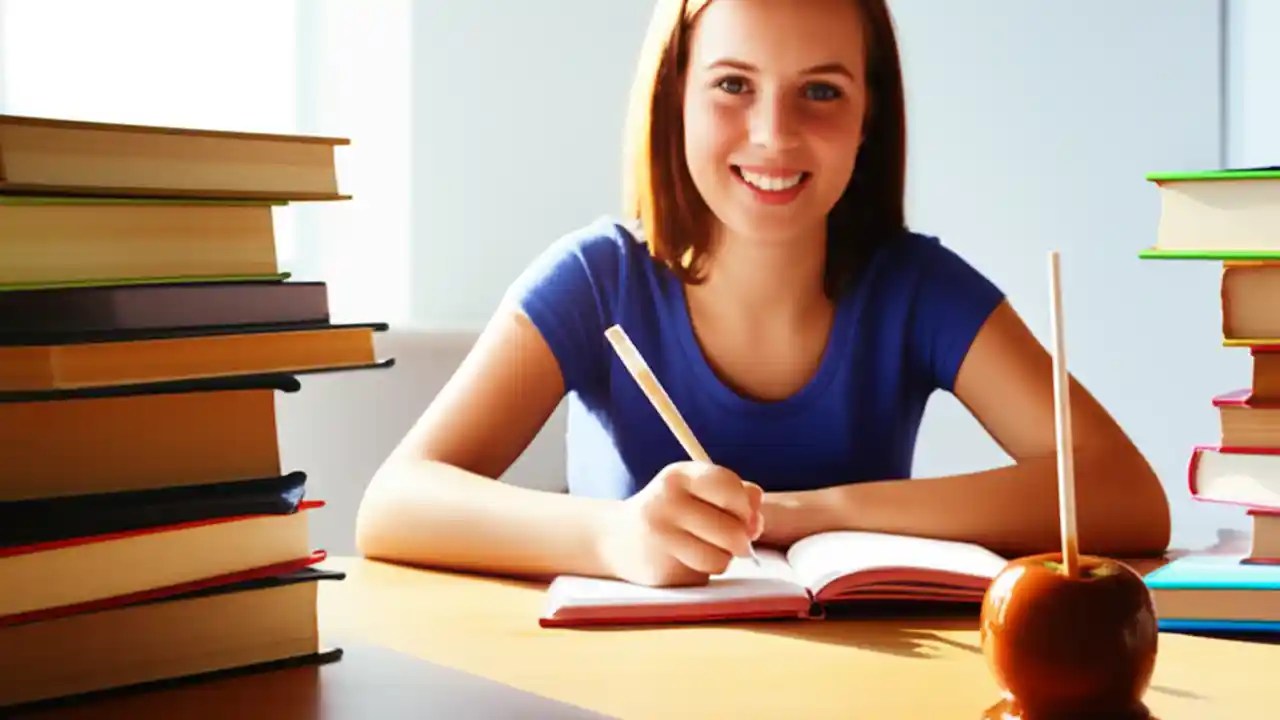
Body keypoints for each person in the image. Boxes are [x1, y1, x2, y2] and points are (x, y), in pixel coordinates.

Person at [354, 0, 1171, 587]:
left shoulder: (919, 288)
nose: (774, 134)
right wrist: (614, 537)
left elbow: (1126, 495)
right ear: (675, 94)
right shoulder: (596, 279)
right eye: (733, 85)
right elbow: (393, 505)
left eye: (820, 91)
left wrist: (816, 514)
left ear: (867, 119)